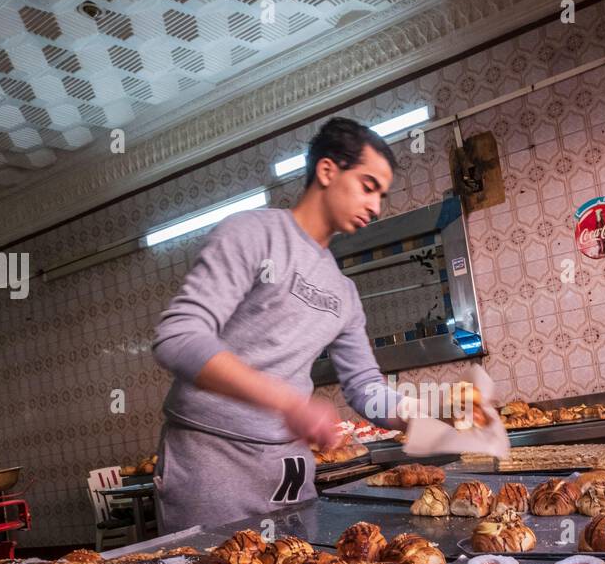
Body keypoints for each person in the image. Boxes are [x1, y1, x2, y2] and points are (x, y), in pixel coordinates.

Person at [151, 117, 412, 532]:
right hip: (213, 461)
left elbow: (365, 387)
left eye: (382, 194)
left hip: (289, 467)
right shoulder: (252, 233)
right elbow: (178, 336)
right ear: (328, 171)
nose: (376, 207)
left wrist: (427, 416)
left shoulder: (343, 292)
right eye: (368, 186)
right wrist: (288, 402)